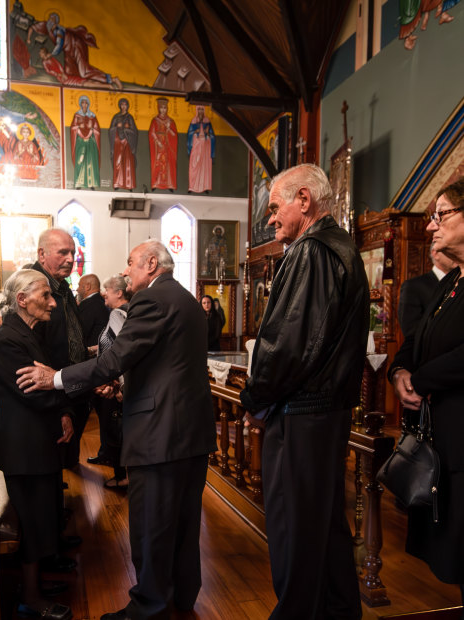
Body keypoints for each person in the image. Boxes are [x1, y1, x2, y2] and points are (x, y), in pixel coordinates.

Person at [16, 240, 217, 620]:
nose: (125, 272)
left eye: (130, 264)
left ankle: (148, 607)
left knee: (152, 525)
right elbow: (166, 365)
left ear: (152, 264)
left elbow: (115, 357)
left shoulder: (151, 300)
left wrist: (56, 378)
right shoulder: (186, 298)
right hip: (191, 433)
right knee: (185, 523)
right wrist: (124, 387)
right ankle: (182, 596)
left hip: (161, 434)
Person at [240, 163, 369, 620]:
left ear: (304, 201)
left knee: (296, 530)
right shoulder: (340, 248)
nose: (270, 219)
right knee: (324, 529)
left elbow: (287, 344)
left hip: (301, 413)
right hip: (323, 412)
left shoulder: (311, 251)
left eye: (275, 208)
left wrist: (254, 399)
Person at [388, 178, 464, 611]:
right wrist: (400, 371)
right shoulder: (449, 281)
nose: (432, 226)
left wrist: (422, 378)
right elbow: (415, 340)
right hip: (444, 445)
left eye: (442, 214)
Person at [0, 270, 73, 620]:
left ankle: (36, 583)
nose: (53, 302)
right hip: (24, 446)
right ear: (22, 300)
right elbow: (34, 391)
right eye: (46, 296)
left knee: (45, 512)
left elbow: (51, 378)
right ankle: (31, 598)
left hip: (38, 441)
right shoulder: (8, 340)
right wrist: (63, 399)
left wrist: (64, 408)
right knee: (34, 521)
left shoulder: (31, 334)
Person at [31, 229, 89, 466]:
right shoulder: (34, 285)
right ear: (42, 254)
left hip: (71, 384)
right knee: (51, 456)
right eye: (63, 252)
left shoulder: (62, 285)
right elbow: (34, 349)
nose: (70, 259)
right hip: (52, 389)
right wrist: (60, 406)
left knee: (66, 457)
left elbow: (70, 333)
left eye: (73, 253)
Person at [91, 273, 131, 487]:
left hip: (114, 384)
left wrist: (120, 386)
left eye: (107, 290)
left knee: (114, 429)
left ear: (119, 293)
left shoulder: (117, 313)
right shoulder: (127, 311)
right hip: (117, 381)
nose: (103, 294)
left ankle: (122, 476)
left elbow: (122, 350)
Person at [397, 241, 456, 339]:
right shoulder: (413, 286)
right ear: (435, 253)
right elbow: (411, 330)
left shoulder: (458, 282)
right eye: (450, 249)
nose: (456, 254)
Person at [70, 95, 100, 189]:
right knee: (80, 161)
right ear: (80, 104)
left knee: (90, 161)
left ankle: (91, 184)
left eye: (86, 103)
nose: (84, 104)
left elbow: (97, 130)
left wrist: (92, 130)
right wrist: (79, 130)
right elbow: (73, 128)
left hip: (90, 141)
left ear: (88, 104)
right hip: (80, 141)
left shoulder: (92, 116)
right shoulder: (77, 115)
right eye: (82, 102)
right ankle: (79, 183)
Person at [148, 98, 178, 191]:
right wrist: (158, 141)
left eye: (165, 108)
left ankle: (169, 185)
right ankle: (156, 184)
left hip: (167, 145)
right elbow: (151, 132)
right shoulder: (155, 120)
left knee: (168, 164)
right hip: (158, 146)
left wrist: (169, 128)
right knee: (157, 163)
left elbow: (174, 135)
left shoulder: (171, 121)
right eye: (161, 108)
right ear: (158, 108)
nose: (163, 110)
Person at [109, 98, 137, 190]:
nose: (123, 106)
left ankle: (129, 184)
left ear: (127, 106)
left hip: (127, 142)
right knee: (118, 162)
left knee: (128, 162)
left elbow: (134, 131)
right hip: (117, 142)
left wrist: (126, 130)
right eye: (122, 104)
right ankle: (117, 183)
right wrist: (116, 128)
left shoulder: (130, 117)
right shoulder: (116, 117)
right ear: (120, 106)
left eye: (125, 104)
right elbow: (111, 130)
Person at [187, 105, 215, 194]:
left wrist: (208, 133)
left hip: (206, 146)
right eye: (199, 109)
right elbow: (189, 134)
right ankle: (192, 187)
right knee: (194, 164)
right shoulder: (193, 121)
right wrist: (195, 131)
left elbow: (213, 136)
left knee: (205, 166)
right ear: (196, 110)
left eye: (202, 109)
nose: (200, 111)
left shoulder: (207, 122)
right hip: (196, 145)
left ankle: (205, 186)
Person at [76, 273, 109, 348]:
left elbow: (79, 333)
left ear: (87, 287)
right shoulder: (99, 301)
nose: (77, 289)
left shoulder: (90, 305)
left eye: (79, 285)